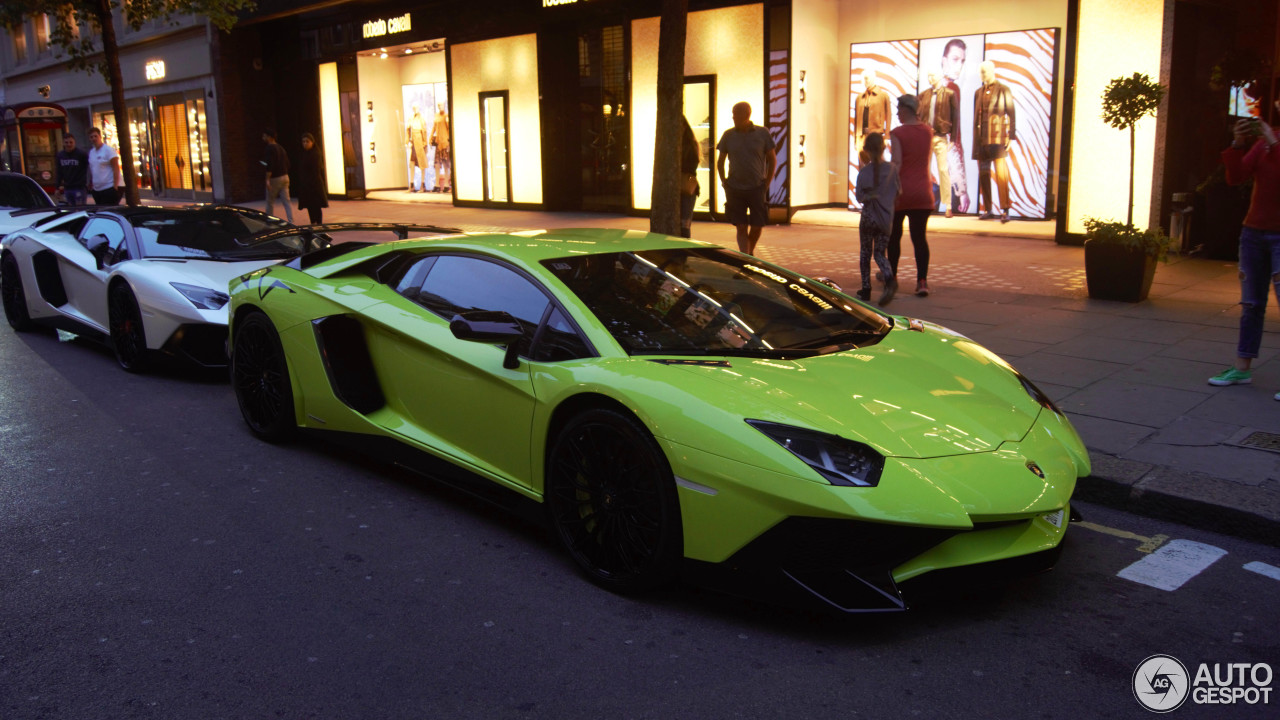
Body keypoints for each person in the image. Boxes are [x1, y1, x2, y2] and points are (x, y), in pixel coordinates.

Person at [1209, 103, 1280, 398]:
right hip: (1253, 232)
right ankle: (1242, 367)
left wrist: (1274, 145)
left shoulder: (1271, 141)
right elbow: (1236, 176)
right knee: (1251, 304)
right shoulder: (1266, 138)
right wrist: (1237, 145)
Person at [889, 94, 935, 297]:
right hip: (923, 192)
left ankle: (893, 278)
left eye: (898, 109)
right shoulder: (928, 131)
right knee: (919, 238)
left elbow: (897, 162)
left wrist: (888, 184)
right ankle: (922, 281)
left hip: (902, 192)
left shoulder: (898, 133)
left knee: (894, 236)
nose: (897, 113)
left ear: (906, 110)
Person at [716, 101, 776, 255]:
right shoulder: (728, 135)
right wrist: (724, 182)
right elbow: (720, 161)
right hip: (735, 188)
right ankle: (746, 256)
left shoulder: (762, 133)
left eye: (736, 114)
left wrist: (766, 183)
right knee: (741, 226)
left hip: (756, 187)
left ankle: (749, 253)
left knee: (757, 224)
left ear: (746, 115)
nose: (733, 117)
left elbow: (772, 159)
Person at [854, 132, 898, 306]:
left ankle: (866, 289)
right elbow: (897, 192)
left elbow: (859, 197)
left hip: (868, 218)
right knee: (880, 253)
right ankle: (889, 278)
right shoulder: (892, 169)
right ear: (884, 148)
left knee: (865, 253)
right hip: (885, 218)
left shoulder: (864, 173)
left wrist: (870, 195)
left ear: (866, 150)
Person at [973, 60, 1016, 223]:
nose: (983, 75)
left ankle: (1005, 209)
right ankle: (988, 208)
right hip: (982, 140)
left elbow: (1011, 112)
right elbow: (976, 116)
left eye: (985, 71)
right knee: (984, 173)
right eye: (981, 72)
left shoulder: (1004, 89)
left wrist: (1011, 136)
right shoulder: (978, 92)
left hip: (997, 138)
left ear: (992, 71)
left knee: (1001, 174)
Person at [917, 72, 959, 217]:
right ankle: (925, 203)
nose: (931, 78)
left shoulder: (949, 94)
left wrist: (953, 137)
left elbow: (955, 116)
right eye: (929, 75)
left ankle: (948, 204)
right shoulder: (924, 95)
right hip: (926, 136)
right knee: (925, 171)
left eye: (933, 75)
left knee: (943, 169)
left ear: (940, 76)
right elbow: (919, 114)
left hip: (941, 135)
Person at [939, 38, 971, 213]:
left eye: (962, 60)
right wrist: (962, 188)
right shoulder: (952, 89)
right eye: (955, 59)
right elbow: (954, 140)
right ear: (944, 60)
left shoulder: (936, 89)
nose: (959, 65)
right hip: (947, 162)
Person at [853, 70, 893, 168]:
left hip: (876, 134)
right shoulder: (859, 98)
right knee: (862, 165)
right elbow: (856, 119)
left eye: (868, 78)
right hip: (861, 136)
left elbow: (888, 115)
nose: (866, 81)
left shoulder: (883, 96)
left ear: (873, 78)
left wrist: (887, 135)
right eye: (864, 78)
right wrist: (855, 139)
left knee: (878, 164)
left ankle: (878, 182)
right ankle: (863, 183)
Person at [295, 132, 328, 225]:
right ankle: (313, 222)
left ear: (312, 142)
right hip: (306, 185)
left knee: (316, 206)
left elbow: (316, 170)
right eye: (303, 142)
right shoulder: (303, 154)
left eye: (307, 141)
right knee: (310, 206)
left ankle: (319, 223)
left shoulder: (315, 154)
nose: (305, 143)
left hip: (314, 184)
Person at [261, 128, 293, 223]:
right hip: (285, 176)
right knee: (286, 201)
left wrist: (267, 180)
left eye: (264, 136)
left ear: (269, 137)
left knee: (270, 202)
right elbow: (288, 163)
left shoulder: (269, 148)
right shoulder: (281, 148)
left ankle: (269, 221)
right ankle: (290, 221)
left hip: (275, 178)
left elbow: (269, 165)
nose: (263, 138)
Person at [86, 127, 123, 205]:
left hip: (109, 187)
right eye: (91, 137)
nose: (94, 138)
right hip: (97, 189)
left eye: (95, 136)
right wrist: (91, 184)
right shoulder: (91, 152)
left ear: (100, 136)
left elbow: (116, 168)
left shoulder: (108, 150)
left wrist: (115, 187)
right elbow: (93, 169)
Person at [679, 117, 701, 238]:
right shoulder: (690, 144)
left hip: (686, 186)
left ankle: (684, 250)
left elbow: (691, 166)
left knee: (684, 224)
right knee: (683, 223)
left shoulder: (689, 145)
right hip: (685, 185)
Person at [55, 133, 90, 206]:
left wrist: (89, 182)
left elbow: (89, 168)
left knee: (80, 210)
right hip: (67, 188)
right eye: (66, 142)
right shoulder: (60, 155)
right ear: (63, 143)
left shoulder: (81, 154)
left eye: (71, 142)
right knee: (70, 211)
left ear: (74, 142)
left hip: (79, 187)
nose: (69, 144)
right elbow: (59, 172)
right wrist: (57, 187)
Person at [406, 104, 429, 192]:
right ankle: (411, 185)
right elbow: (408, 131)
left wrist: (425, 144)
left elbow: (424, 132)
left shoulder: (421, 119)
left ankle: (423, 185)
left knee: (422, 164)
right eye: (414, 108)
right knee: (412, 164)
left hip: (420, 143)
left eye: (416, 108)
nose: (415, 109)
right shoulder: (410, 119)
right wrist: (407, 142)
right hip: (413, 144)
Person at [430, 106, 451, 193]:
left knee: (446, 164)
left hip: (445, 142)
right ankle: (437, 185)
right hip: (438, 143)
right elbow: (434, 128)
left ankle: (446, 184)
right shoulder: (436, 116)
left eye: (441, 105)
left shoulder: (446, 116)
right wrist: (431, 138)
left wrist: (449, 142)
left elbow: (449, 129)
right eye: (438, 105)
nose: (439, 107)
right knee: (437, 164)